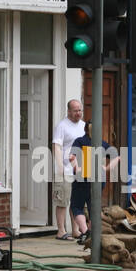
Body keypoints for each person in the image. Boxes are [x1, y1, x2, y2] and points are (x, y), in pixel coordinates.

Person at [69, 121, 121, 246]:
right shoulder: (102, 144)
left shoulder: (80, 141)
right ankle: (91, 234)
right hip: (99, 179)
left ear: (85, 129)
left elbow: (72, 157)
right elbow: (117, 157)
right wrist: (106, 168)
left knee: (76, 206)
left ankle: (86, 232)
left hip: (83, 179)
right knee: (94, 208)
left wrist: (77, 168)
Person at [52, 99, 85, 240]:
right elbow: (56, 146)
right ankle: (61, 231)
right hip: (64, 170)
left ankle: (75, 230)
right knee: (63, 201)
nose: (79, 113)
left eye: (80, 110)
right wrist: (60, 167)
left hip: (79, 170)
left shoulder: (84, 126)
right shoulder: (62, 126)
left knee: (76, 202)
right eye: (76, 110)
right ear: (69, 111)